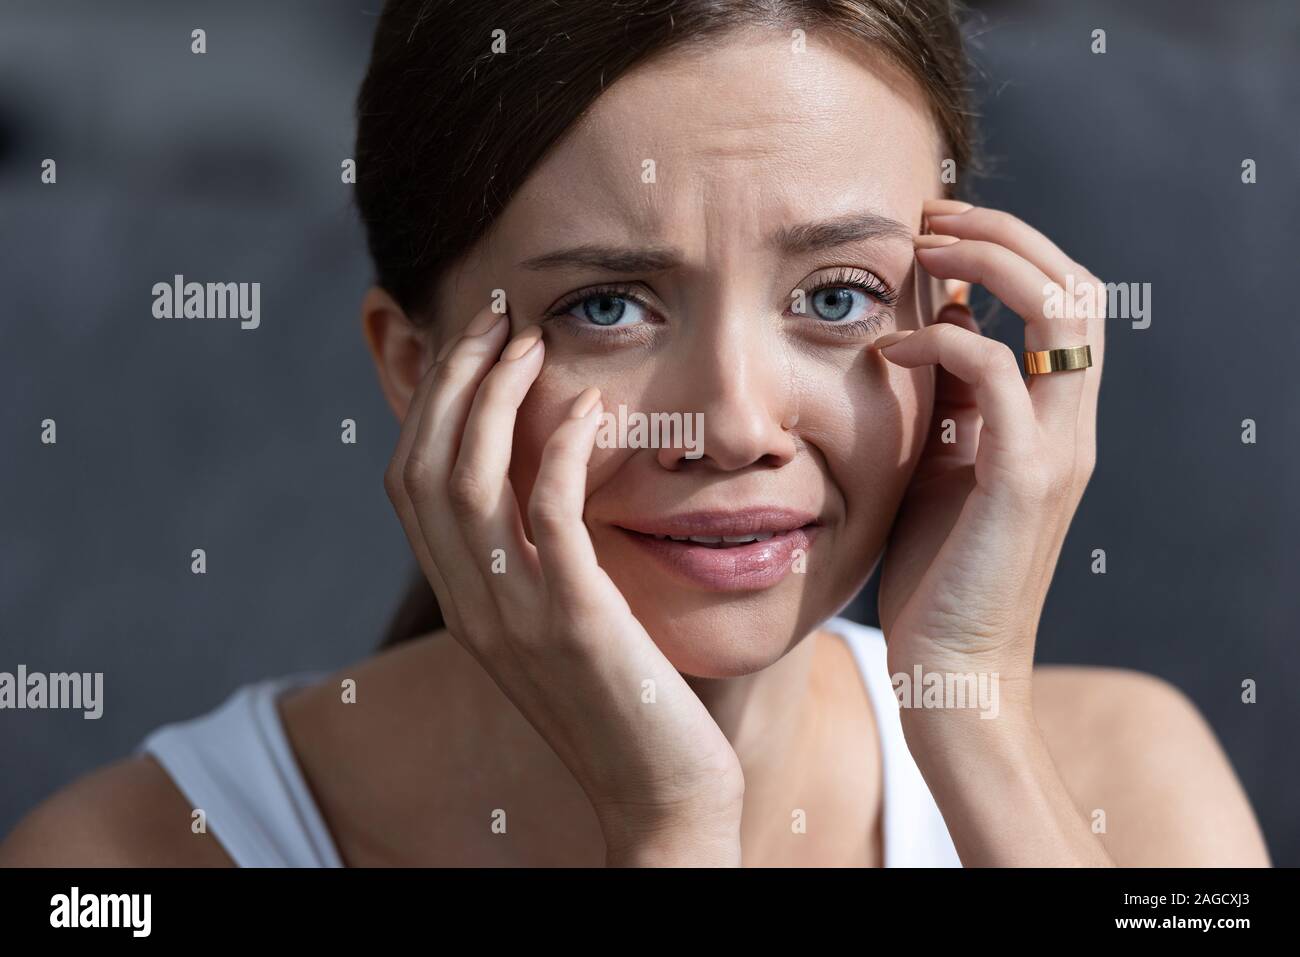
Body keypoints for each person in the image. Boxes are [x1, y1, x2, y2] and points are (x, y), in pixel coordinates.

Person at [1, 0, 1270, 867]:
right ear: (413, 366)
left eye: (836, 298)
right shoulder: (116, 863)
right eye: (604, 306)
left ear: (952, 328)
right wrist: (669, 828)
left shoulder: (1133, 779)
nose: (729, 425)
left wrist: (973, 719)